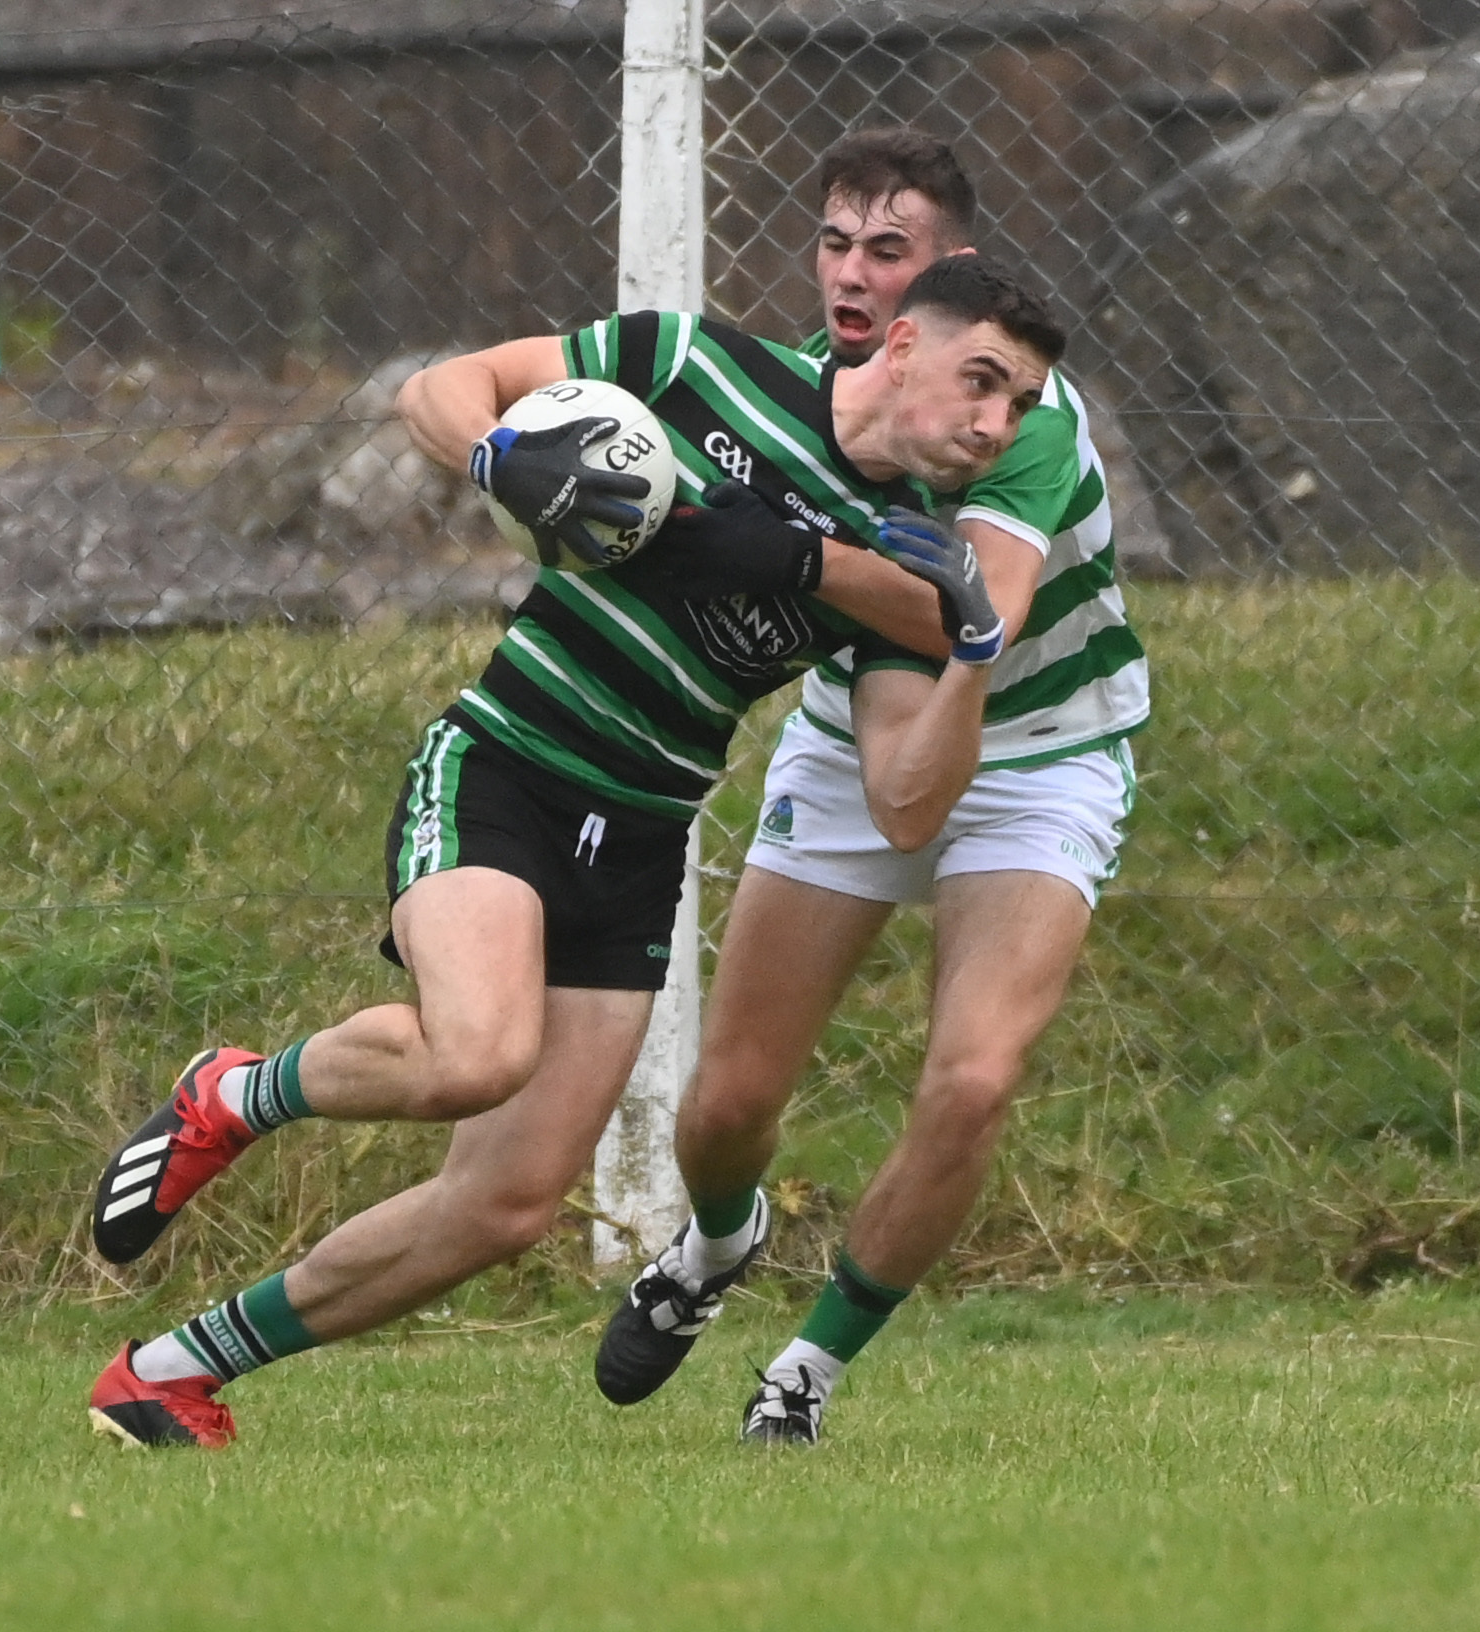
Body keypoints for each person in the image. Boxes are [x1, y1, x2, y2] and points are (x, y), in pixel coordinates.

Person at [84, 253, 1065, 1448]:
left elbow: (908, 805)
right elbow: (446, 389)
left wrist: (969, 647)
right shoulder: (696, 365)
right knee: (475, 1053)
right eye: (982, 381)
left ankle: (167, 1375)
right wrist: (504, 458)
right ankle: (235, 1092)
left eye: (1016, 406)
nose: (995, 424)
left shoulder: (897, 557)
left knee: (502, 1203)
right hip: (509, 768)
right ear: (900, 346)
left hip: (641, 836)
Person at [593, 129, 1150, 1445]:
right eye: (834, 243)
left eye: (886, 250)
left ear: (950, 271)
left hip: (1040, 756)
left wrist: (794, 563)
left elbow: (973, 635)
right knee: (725, 1108)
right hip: (851, 746)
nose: (850, 275)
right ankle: (719, 1246)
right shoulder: (802, 405)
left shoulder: (1024, 423)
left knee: (970, 1081)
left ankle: (806, 1374)